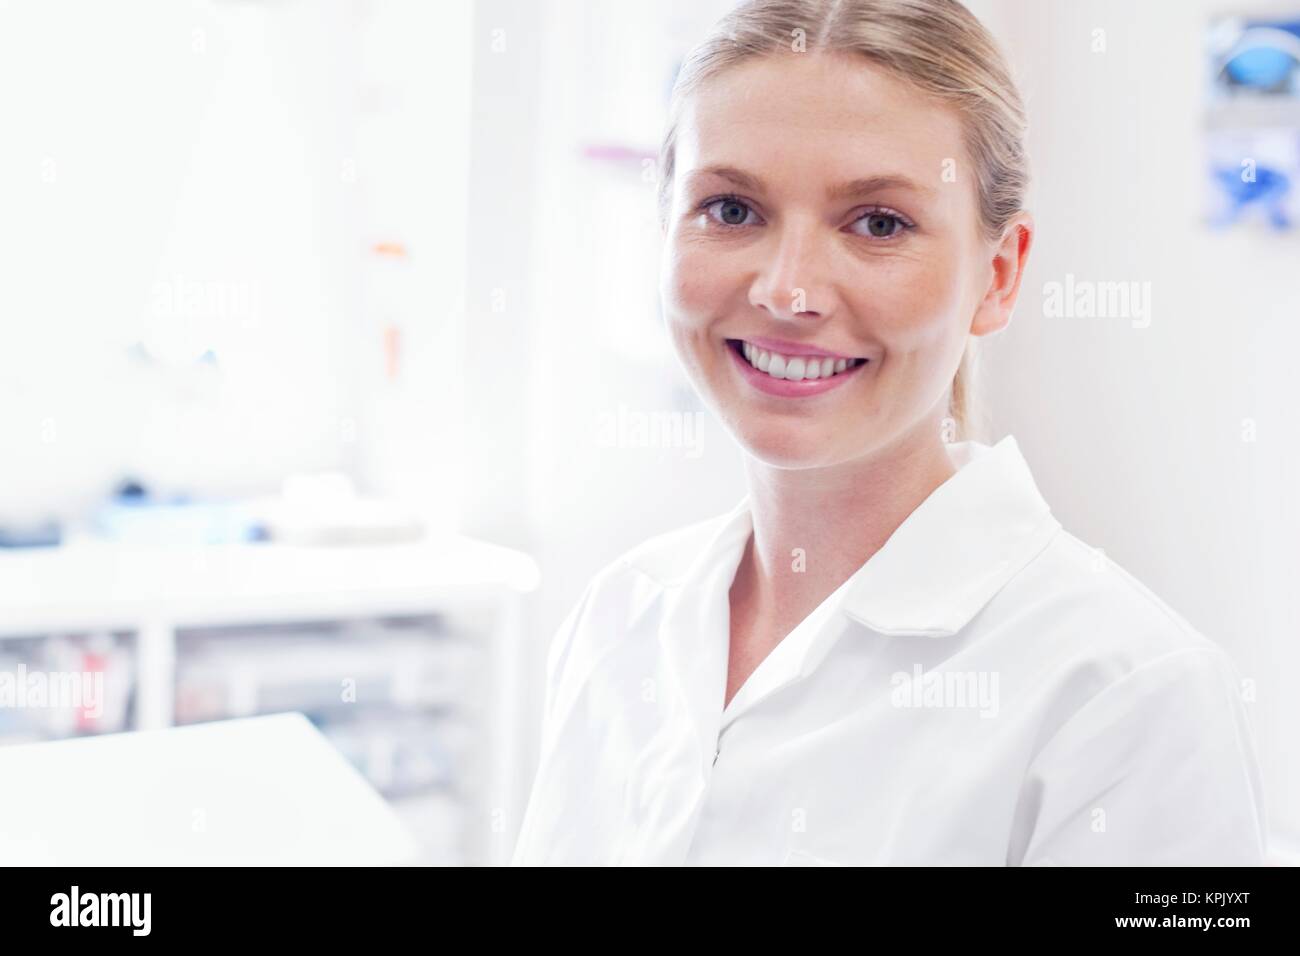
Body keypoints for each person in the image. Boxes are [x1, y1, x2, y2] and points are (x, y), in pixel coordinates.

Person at [510, 0, 1268, 866]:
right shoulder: (620, 619)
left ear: (1000, 274)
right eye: (730, 209)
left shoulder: (1128, 695)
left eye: (878, 224)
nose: (789, 292)